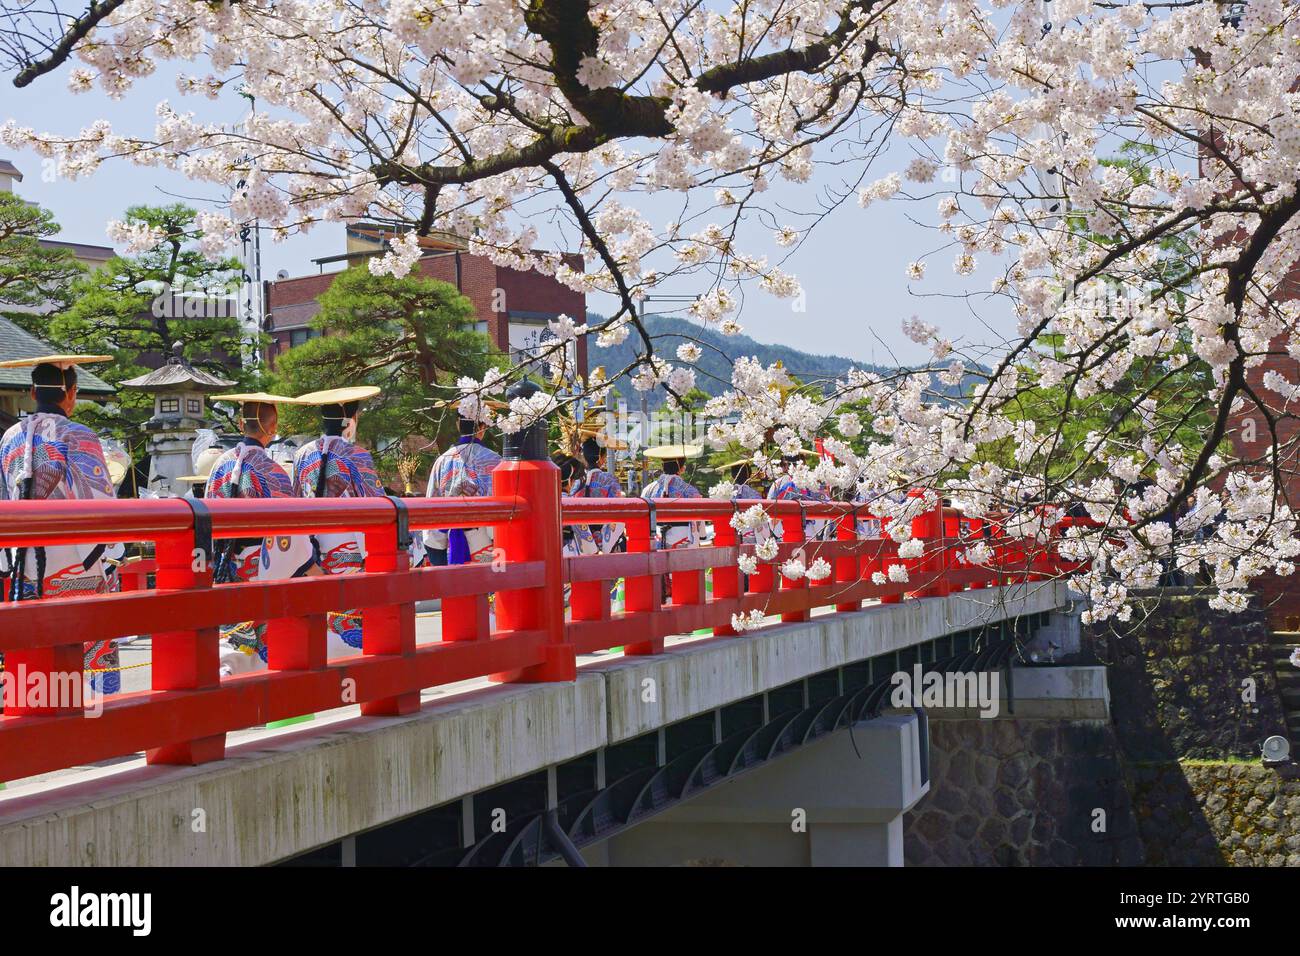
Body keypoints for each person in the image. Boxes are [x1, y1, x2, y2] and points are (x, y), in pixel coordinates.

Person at [0, 353, 122, 695]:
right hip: (75, 565)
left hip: (24, 565)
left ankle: (36, 724)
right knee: (88, 652)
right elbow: (103, 506)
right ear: (72, 394)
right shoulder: (78, 435)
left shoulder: (9, 437)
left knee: (33, 656)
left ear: (32, 392)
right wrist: (116, 552)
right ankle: (100, 727)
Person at [205, 391, 315, 675]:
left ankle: (226, 684)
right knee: (264, 640)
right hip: (261, 566)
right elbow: (291, 534)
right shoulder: (273, 470)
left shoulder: (220, 464)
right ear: (273, 426)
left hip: (225, 566)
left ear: (242, 425)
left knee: (230, 638)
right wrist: (310, 565)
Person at [292, 386, 384, 657]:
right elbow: (377, 509)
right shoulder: (357, 455)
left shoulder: (301, 455)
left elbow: (296, 503)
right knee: (353, 621)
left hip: (311, 553)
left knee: (322, 620)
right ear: (349, 418)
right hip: (351, 549)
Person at [424, 404, 503, 565]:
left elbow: (432, 502)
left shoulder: (442, 460)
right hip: (486, 540)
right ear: (483, 426)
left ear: (458, 424)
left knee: (453, 586)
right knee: (487, 585)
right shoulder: (495, 460)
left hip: (448, 538)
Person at [641, 444, 705, 550]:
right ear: (682, 468)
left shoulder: (648, 489)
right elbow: (698, 517)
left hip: (655, 535)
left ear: (662, 466)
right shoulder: (689, 490)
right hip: (683, 536)